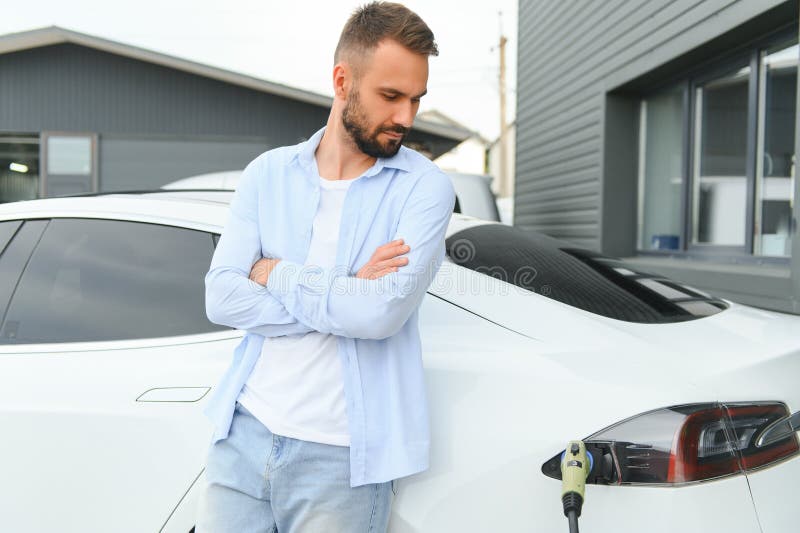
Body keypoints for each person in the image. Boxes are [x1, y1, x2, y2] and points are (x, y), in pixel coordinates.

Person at [196, 2, 455, 532]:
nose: (406, 117)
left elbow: (379, 316)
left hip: (343, 462)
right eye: (391, 96)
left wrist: (280, 274)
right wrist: (347, 289)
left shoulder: (425, 189)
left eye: (416, 99)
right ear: (343, 81)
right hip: (244, 433)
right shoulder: (267, 175)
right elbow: (221, 298)